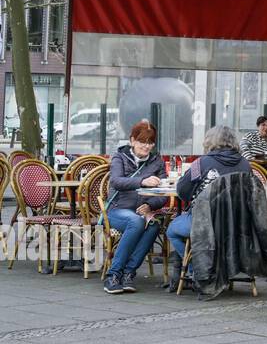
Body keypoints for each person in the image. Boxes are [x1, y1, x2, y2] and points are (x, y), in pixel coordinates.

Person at [168, 125, 251, 287]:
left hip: (205, 224)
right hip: (237, 226)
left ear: (209, 141)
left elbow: (182, 191)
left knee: (172, 230)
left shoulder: (201, 163)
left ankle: (196, 270)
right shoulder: (245, 165)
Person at [103, 121, 169, 295]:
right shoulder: (120, 157)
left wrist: (149, 205)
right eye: (142, 142)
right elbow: (116, 181)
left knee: (153, 224)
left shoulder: (157, 162)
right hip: (117, 210)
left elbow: (164, 194)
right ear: (132, 140)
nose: (146, 146)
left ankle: (128, 274)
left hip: (142, 211)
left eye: (150, 142)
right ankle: (113, 275)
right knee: (136, 222)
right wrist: (142, 181)